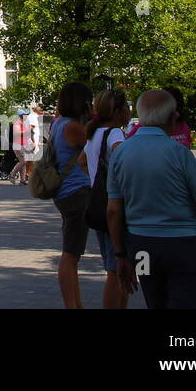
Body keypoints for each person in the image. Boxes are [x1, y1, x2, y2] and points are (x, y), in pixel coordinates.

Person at [107, 90, 196, 309]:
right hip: (183, 244)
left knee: (154, 300)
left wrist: (120, 254)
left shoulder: (120, 153)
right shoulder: (179, 153)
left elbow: (113, 210)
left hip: (142, 244)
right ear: (172, 117)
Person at [85, 88, 130, 309]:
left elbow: (81, 162)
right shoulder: (115, 134)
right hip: (116, 207)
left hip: (98, 204)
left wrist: (96, 179)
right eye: (127, 107)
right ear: (118, 111)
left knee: (112, 266)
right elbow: (125, 159)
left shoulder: (94, 134)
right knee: (118, 269)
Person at [50, 82, 93, 309]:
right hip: (76, 191)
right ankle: (72, 305)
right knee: (70, 254)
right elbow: (94, 144)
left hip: (66, 191)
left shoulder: (59, 123)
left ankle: (76, 303)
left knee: (72, 253)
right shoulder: (73, 127)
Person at [10, 109, 32, 185]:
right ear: (21, 115)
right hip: (18, 145)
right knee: (23, 161)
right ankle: (12, 174)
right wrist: (27, 131)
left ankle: (22, 179)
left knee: (23, 163)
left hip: (23, 144)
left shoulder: (24, 123)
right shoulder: (17, 123)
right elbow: (17, 133)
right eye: (25, 114)